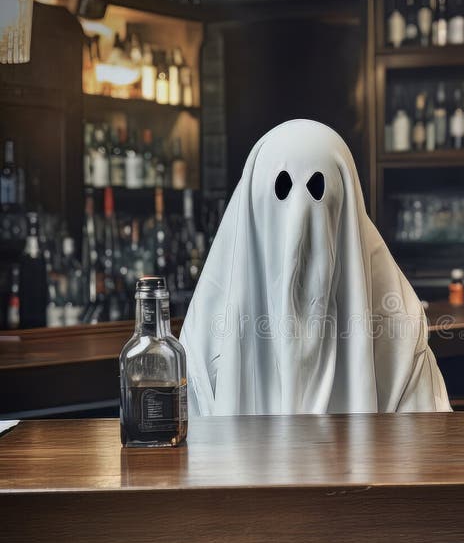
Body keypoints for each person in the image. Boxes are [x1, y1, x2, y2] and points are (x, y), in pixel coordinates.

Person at [181, 119, 450, 414]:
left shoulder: (401, 327)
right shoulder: (204, 335)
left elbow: (425, 444)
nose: (299, 215)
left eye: (316, 188)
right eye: (281, 189)